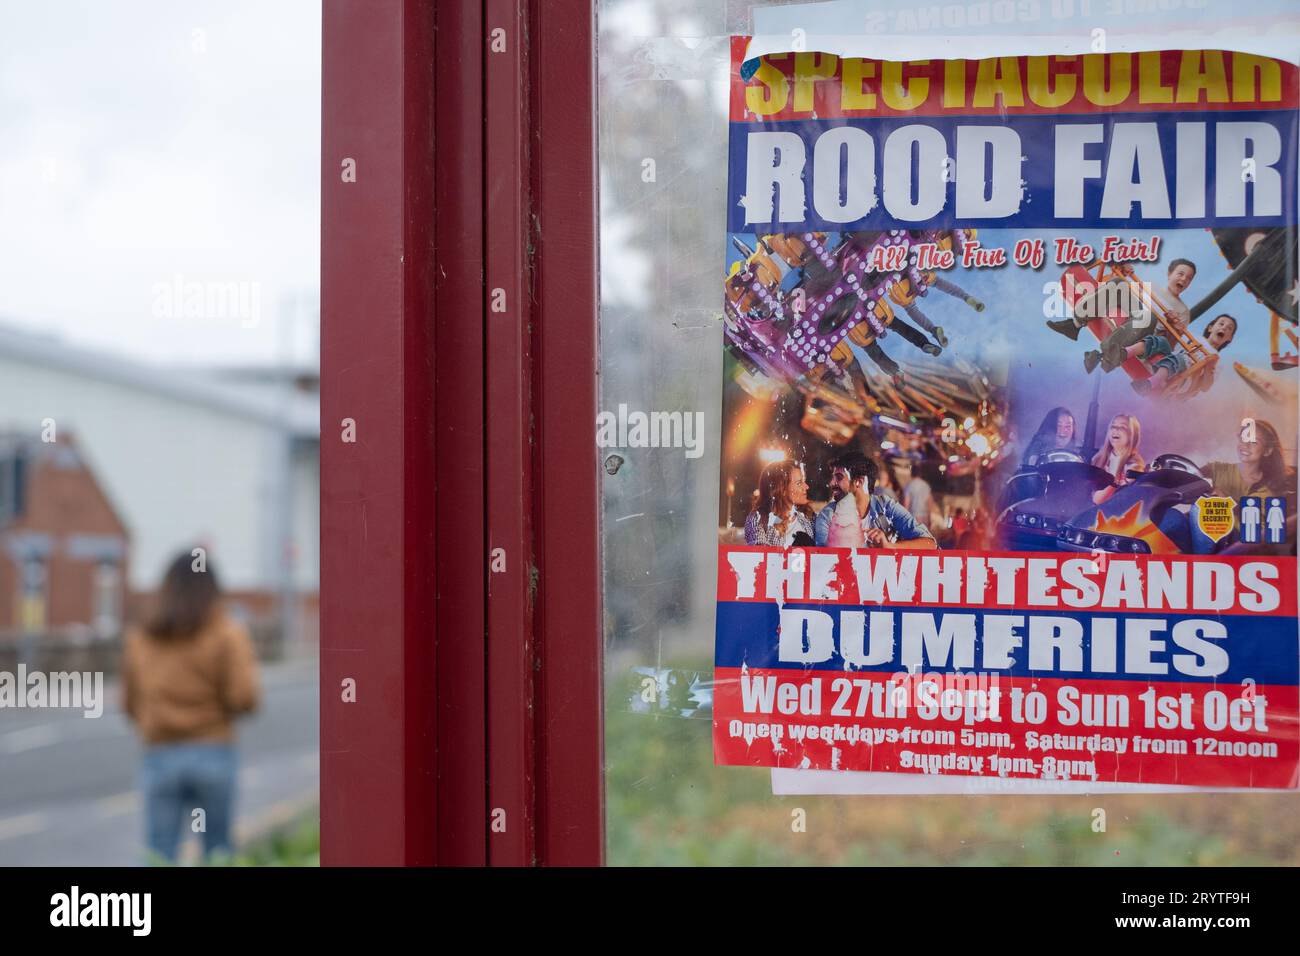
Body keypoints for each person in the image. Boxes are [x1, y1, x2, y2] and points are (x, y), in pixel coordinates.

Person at [122, 552, 261, 863]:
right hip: (214, 750)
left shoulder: (143, 636)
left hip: (160, 753)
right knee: (218, 850)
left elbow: (130, 703)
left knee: (159, 852)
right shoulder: (227, 633)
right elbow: (245, 698)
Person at [1049, 258, 1196, 347]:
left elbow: (1169, 345)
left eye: (1189, 278)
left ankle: (1108, 349)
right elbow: (1122, 292)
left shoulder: (1183, 311)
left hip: (1149, 330)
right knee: (1119, 283)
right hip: (1135, 312)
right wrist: (1122, 271)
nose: (1183, 279)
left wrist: (1174, 328)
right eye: (1180, 274)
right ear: (1170, 274)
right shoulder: (1152, 286)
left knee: (1149, 316)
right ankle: (1074, 323)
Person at [818, 451, 937, 549]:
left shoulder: (886, 507)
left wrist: (889, 546)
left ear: (859, 481)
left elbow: (930, 543)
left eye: (839, 477)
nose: (831, 483)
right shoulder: (828, 516)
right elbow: (825, 560)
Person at [744, 459, 815, 547]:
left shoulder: (809, 518)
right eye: (799, 483)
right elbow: (761, 556)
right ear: (782, 489)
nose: (806, 487)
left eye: (804, 482)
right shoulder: (759, 519)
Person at [1091, 413, 1145, 505]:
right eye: (1113, 426)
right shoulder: (1097, 459)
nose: (1116, 429)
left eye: (1122, 427)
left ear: (1132, 435)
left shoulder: (1134, 467)